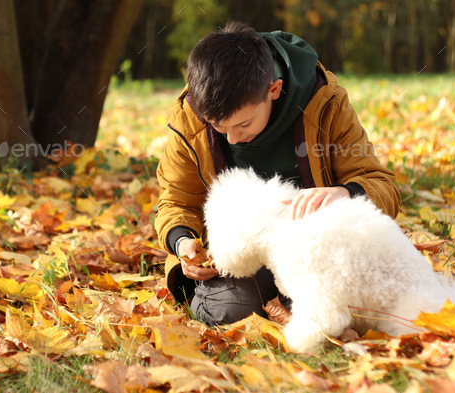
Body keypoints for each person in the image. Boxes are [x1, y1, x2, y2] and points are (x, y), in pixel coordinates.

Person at [154, 21, 400, 326]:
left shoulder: (325, 102)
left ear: (274, 90)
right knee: (228, 311)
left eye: (243, 125)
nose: (231, 139)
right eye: (219, 126)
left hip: (321, 249)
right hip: (241, 260)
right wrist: (184, 244)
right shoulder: (191, 117)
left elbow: (381, 185)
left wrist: (345, 193)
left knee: (376, 303)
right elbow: (176, 202)